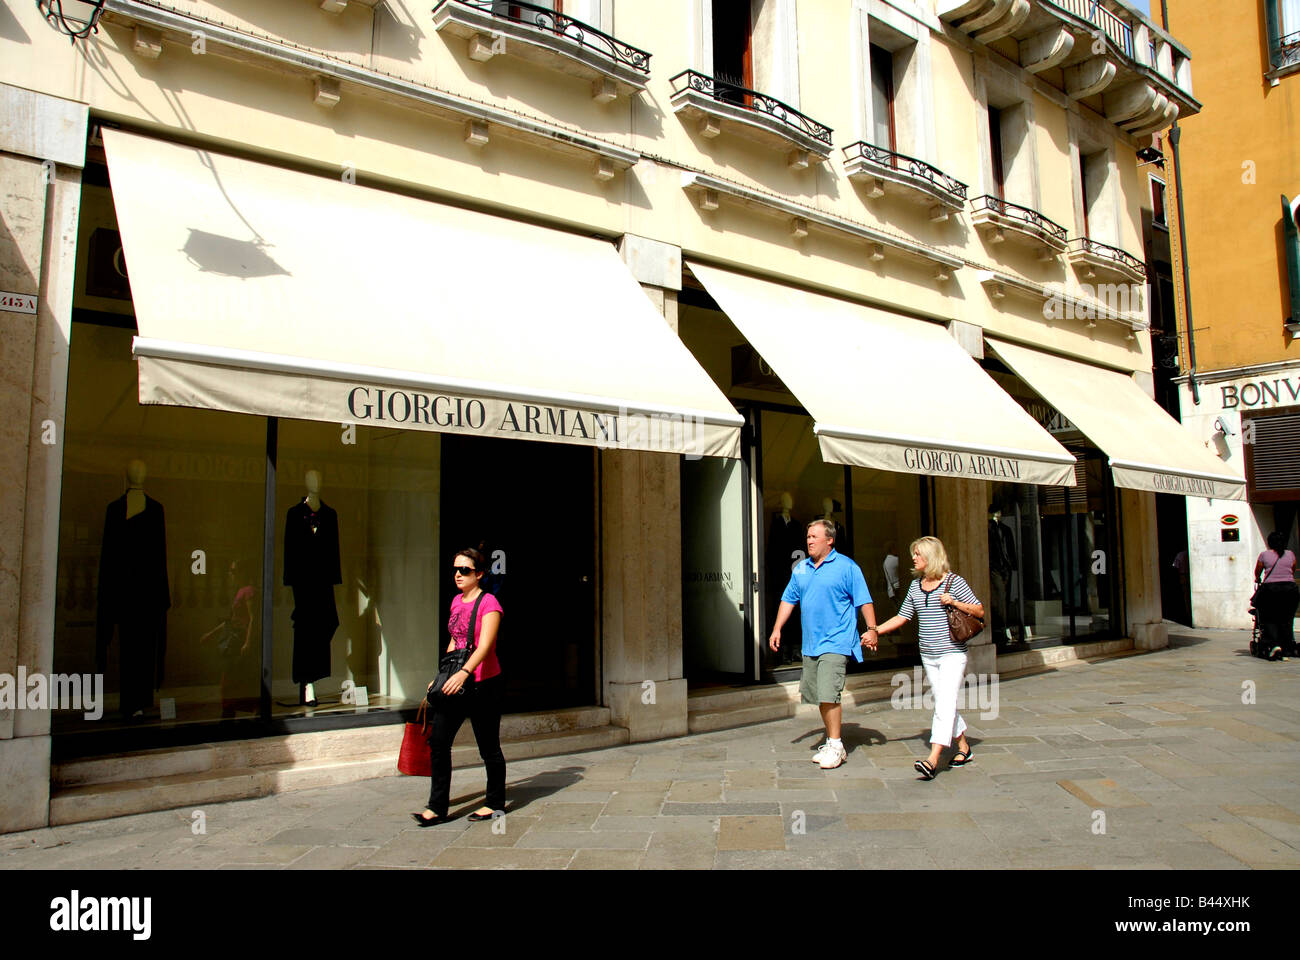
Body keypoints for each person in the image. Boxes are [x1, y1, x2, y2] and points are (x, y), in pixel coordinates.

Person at [768, 519, 877, 770]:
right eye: (807, 537)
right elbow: (788, 599)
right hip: (811, 643)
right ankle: (831, 741)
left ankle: (836, 745)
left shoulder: (847, 567)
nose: (809, 541)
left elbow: (864, 600)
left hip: (837, 641)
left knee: (829, 692)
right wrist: (776, 628)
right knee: (819, 696)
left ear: (830, 540)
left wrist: (872, 630)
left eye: (814, 536)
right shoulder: (802, 568)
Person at [876, 536, 984, 780]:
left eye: (918, 553)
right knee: (945, 701)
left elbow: (979, 610)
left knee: (943, 703)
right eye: (913, 553)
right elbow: (902, 617)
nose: (913, 557)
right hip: (928, 654)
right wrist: (875, 630)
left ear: (931, 556)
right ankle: (964, 748)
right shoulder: (916, 585)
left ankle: (933, 759)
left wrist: (954, 601)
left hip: (952, 653)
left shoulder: (954, 582)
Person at [412, 548, 505, 825]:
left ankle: (494, 803)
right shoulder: (455, 602)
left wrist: (464, 673)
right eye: (455, 569)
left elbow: (486, 646)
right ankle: (437, 807)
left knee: (488, 746)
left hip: (483, 684)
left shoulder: (490, 603)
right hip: (454, 682)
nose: (457, 575)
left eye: (464, 570)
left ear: (479, 574)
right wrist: (442, 675)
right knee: (439, 743)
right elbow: (455, 640)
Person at [1254, 531, 1298, 660]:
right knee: (1287, 619)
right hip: (1290, 590)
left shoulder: (1264, 555)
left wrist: (1258, 579)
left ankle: (1274, 645)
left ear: (1269, 542)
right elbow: (1292, 569)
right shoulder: (1290, 554)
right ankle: (1287, 646)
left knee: (1270, 618)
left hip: (1271, 590)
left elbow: (1258, 571)